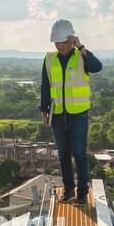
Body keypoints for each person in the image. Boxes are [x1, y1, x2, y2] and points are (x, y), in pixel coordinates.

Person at [40, 18, 102, 204]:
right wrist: (43, 109)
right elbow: (45, 85)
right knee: (64, 154)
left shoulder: (81, 56)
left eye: (63, 42)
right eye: (56, 42)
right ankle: (68, 191)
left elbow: (97, 67)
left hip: (79, 114)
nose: (59, 46)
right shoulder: (49, 59)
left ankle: (82, 193)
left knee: (80, 154)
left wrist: (82, 47)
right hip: (58, 113)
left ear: (72, 40)